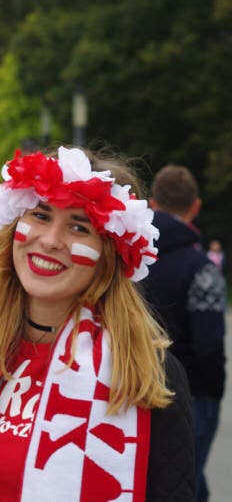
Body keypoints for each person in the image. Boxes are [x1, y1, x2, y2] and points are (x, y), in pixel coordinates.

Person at [0, 147, 194, 500]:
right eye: (40, 215)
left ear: (108, 255)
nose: (51, 240)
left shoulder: (147, 372)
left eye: (78, 227)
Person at [142, 164, 226, 502]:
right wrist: (212, 391)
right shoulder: (201, 268)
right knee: (187, 481)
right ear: (196, 206)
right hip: (192, 390)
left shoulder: (129, 258)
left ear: (152, 203)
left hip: (133, 381)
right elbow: (209, 343)